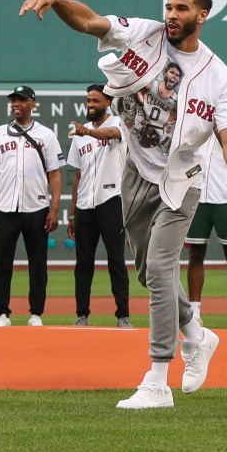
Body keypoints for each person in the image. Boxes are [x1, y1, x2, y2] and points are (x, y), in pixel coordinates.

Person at [16, 0, 227, 411]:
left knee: (161, 271)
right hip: (136, 172)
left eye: (182, 8)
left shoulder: (219, 77)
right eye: (169, 6)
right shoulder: (145, 34)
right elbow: (90, 22)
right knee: (148, 274)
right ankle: (199, 336)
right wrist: (55, 0)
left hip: (181, 180)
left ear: (202, 16)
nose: (172, 14)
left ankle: (158, 381)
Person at [0, 86, 64, 327]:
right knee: (2, 263)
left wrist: (54, 208)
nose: (15, 104)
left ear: (32, 104)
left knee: (37, 264)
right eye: (13, 100)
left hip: (36, 207)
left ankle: (36, 313)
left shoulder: (46, 135)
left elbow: (56, 175)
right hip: (6, 207)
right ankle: (2, 314)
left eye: (21, 100)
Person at [183, 103, 227, 329]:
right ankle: (194, 314)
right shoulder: (197, 117)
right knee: (196, 253)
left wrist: (217, 129)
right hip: (198, 191)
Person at [68, 85, 130, 328]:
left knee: (116, 260)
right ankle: (81, 314)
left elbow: (111, 134)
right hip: (85, 205)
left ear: (107, 101)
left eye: (95, 100)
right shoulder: (78, 136)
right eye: (88, 100)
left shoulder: (119, 121)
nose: (90, 104)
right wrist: (72, 214)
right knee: (83, 263)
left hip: (111, 201)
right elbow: (77, 176)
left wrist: (88, 133)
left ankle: (123, 315)